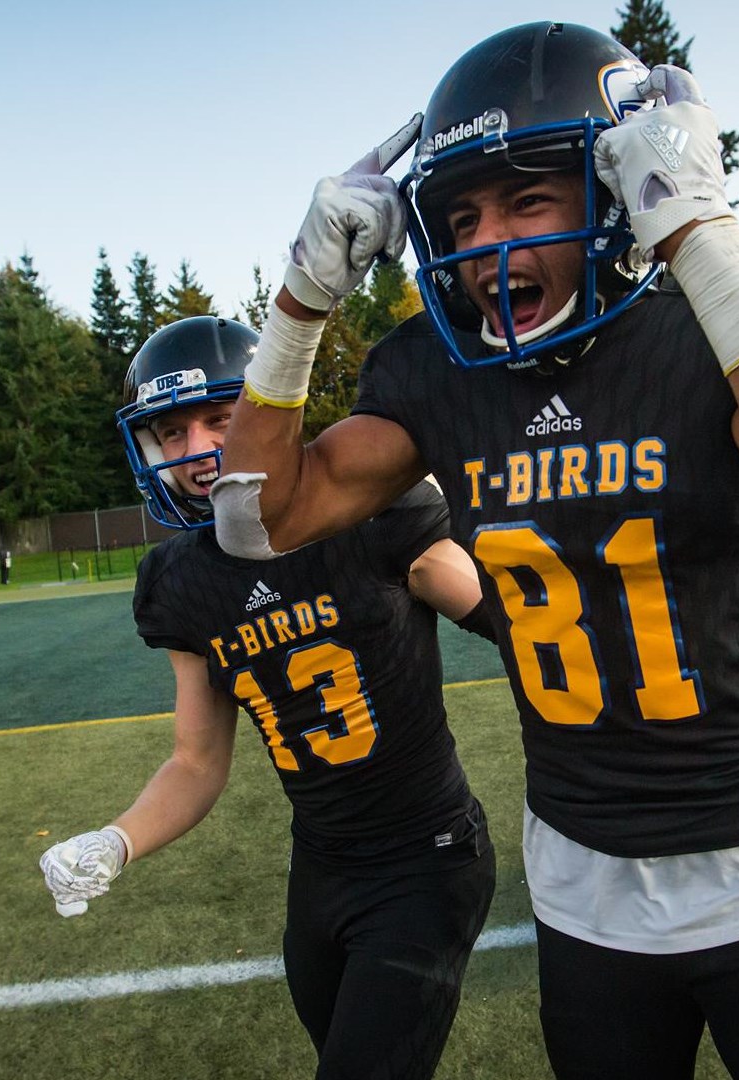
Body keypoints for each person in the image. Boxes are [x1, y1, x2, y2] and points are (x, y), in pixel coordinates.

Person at [214, 23, 739, 1079]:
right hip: (580, 876)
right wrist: (297, 305)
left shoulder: (732, 317)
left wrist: (698, 227)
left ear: (612, 189)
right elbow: (254, 522)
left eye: (527, 200)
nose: (488, 247)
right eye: (462, 213)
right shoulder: (435, 367)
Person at [38, 316, 498, 1080]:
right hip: (320, 869)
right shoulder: (179, 581)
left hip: (427, 861)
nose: (196, 453)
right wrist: (116, 841)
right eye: (171, 432)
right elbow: (194, 761)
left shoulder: (373, 519)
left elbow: (525, 628)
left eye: (221, 420)